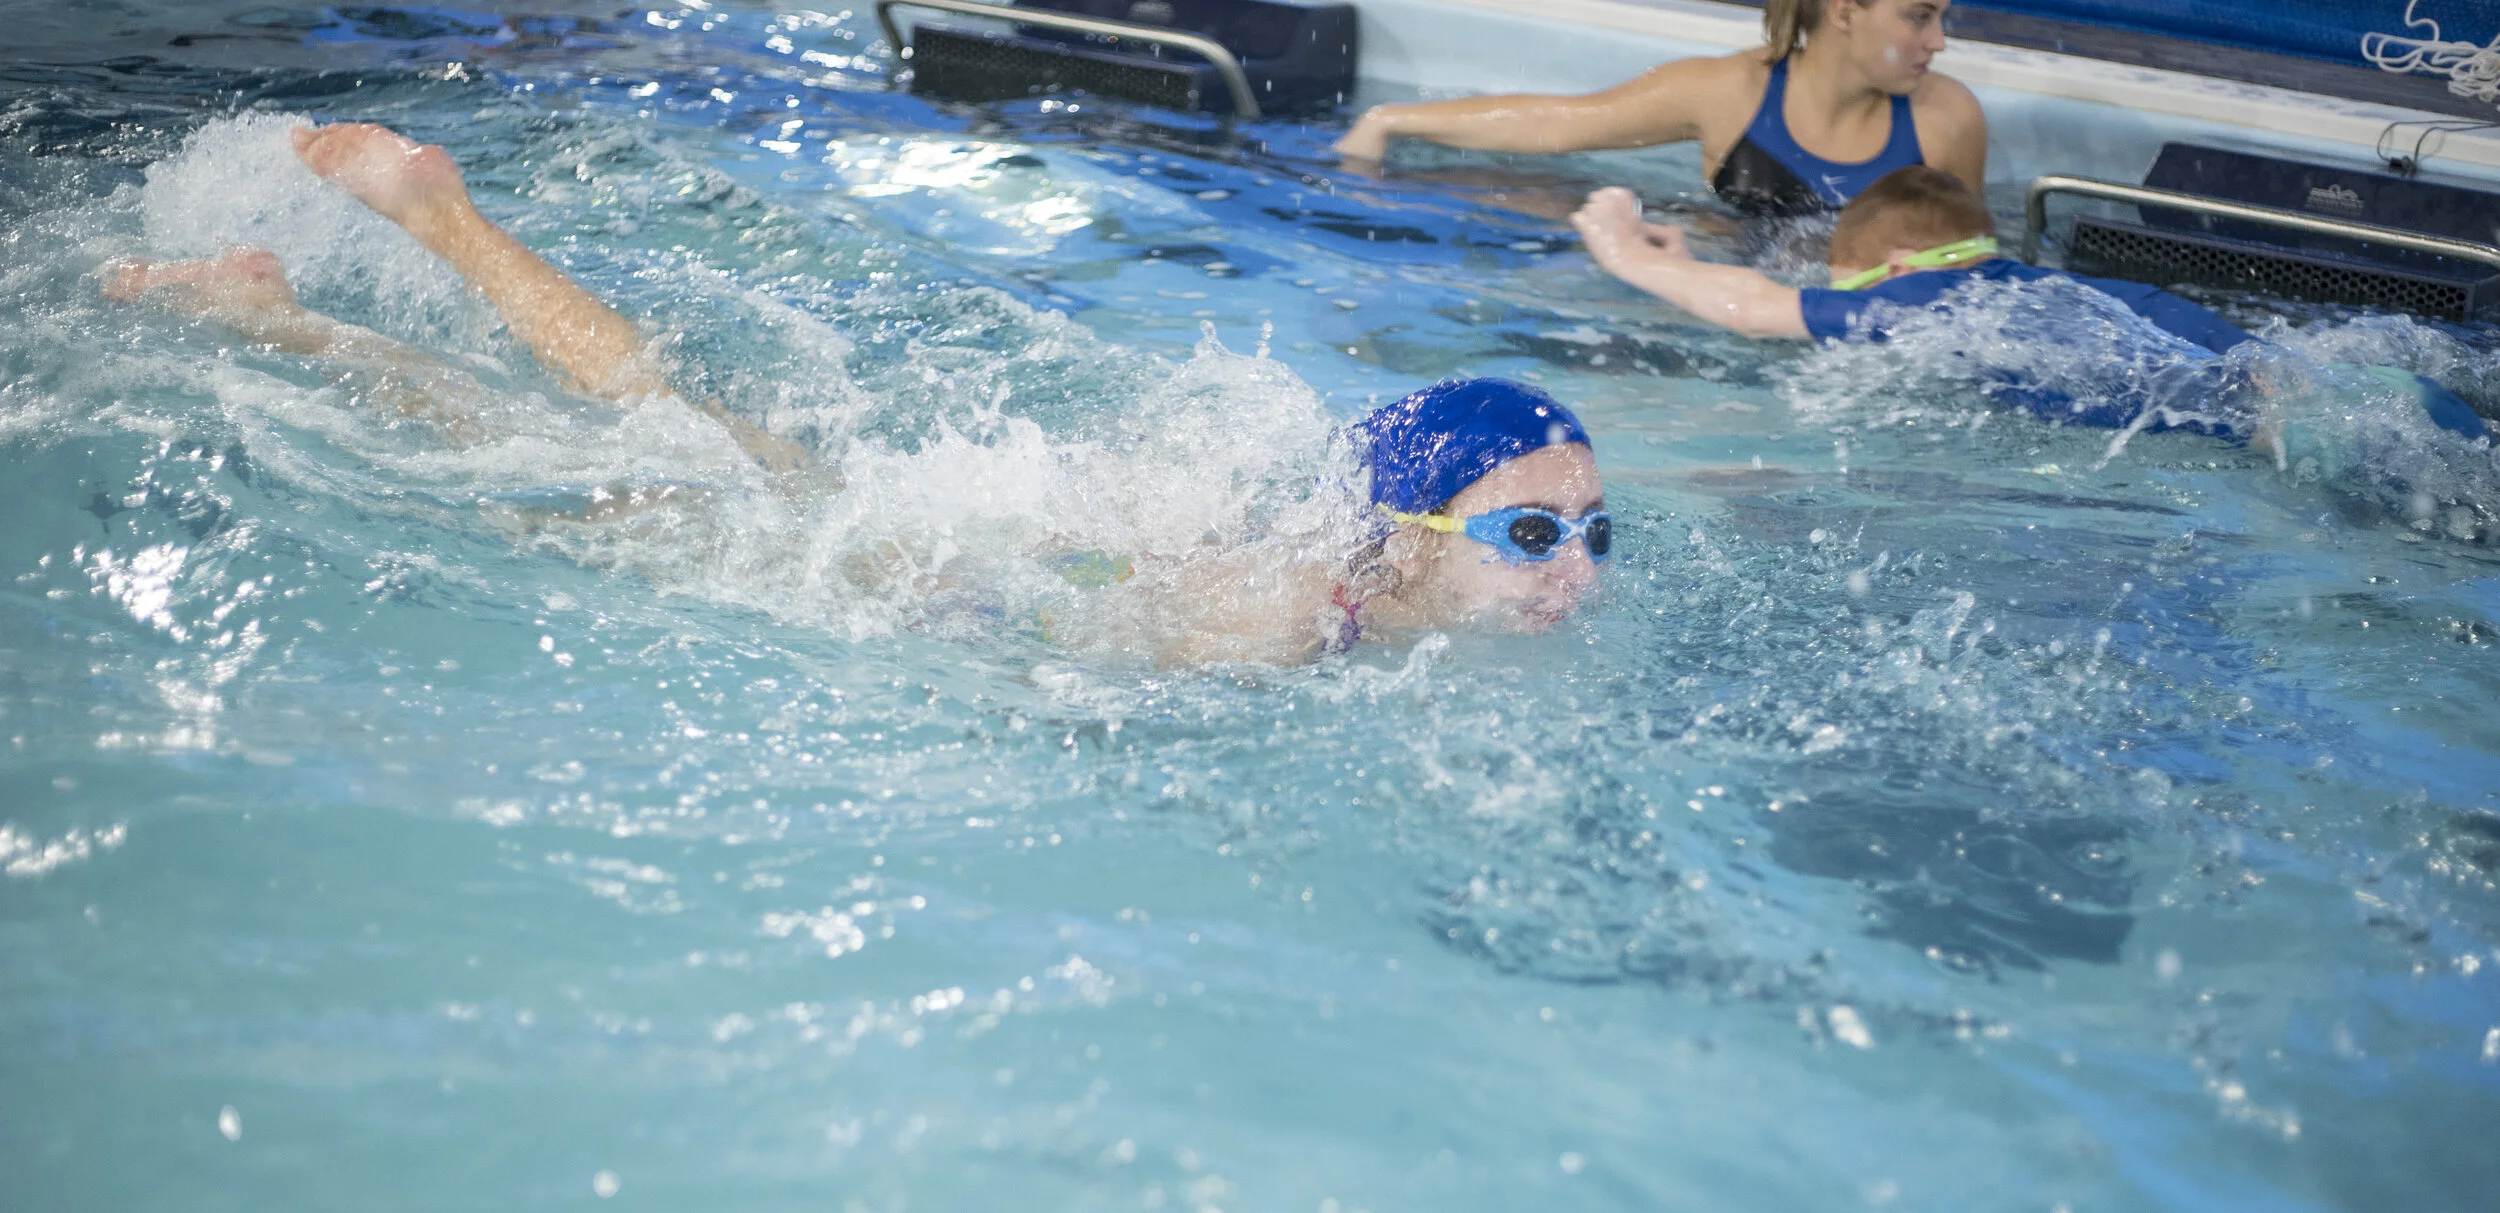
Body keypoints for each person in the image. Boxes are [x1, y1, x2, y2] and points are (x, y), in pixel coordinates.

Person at [104, 124, 1610, 668]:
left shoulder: (1347, 582)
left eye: (1600, 535)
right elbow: (1064, 664)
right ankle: (355, 279)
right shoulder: (1304, 619)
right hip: (913, 566)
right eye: (1532, 536)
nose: (1577, 572)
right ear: (1406, 529)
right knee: (576, 446)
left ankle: (367, 265)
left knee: (655, 414)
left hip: (956, 540)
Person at [1567, 166, 2492, 451]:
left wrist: (1624, 251)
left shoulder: (1926, 303)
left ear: (1892, 265)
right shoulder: (2078, 292)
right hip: (2363, 382)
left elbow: (1751, 309)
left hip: (2314, 435)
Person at [1333, 0, 1986, 219]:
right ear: (1845, 11)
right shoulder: (1729, 93)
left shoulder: (1946, 121)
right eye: (1920, 16)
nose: (1939, 41)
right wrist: (1390, 119)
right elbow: (1567, 123)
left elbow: (1963, 270)